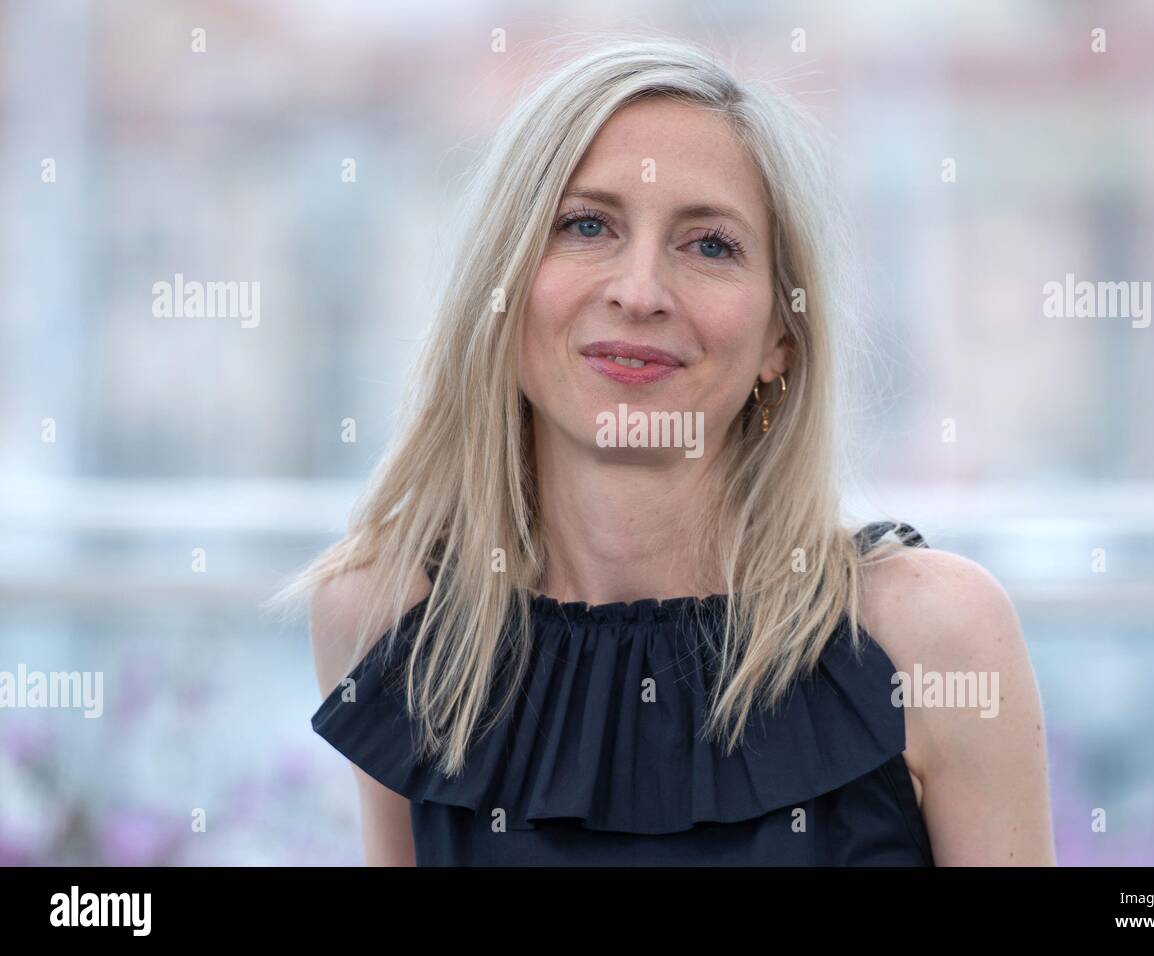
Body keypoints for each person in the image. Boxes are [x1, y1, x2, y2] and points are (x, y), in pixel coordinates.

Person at [278, 35, 1054, 866]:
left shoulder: (929, 634)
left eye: (709, 244)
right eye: (585, 225)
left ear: (779, 340)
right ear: (500, 290)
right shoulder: (385, 619)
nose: (640, 292)